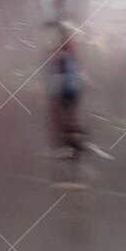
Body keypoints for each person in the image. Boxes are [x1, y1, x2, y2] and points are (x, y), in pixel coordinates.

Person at [49, 23, 85, 159]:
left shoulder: (61, 53)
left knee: (63, 117)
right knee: (69, 116)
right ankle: (74, 143)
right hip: (74, 87)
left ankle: (72, 145)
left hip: (65, 88)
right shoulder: (71, 50)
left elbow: (60, 71)